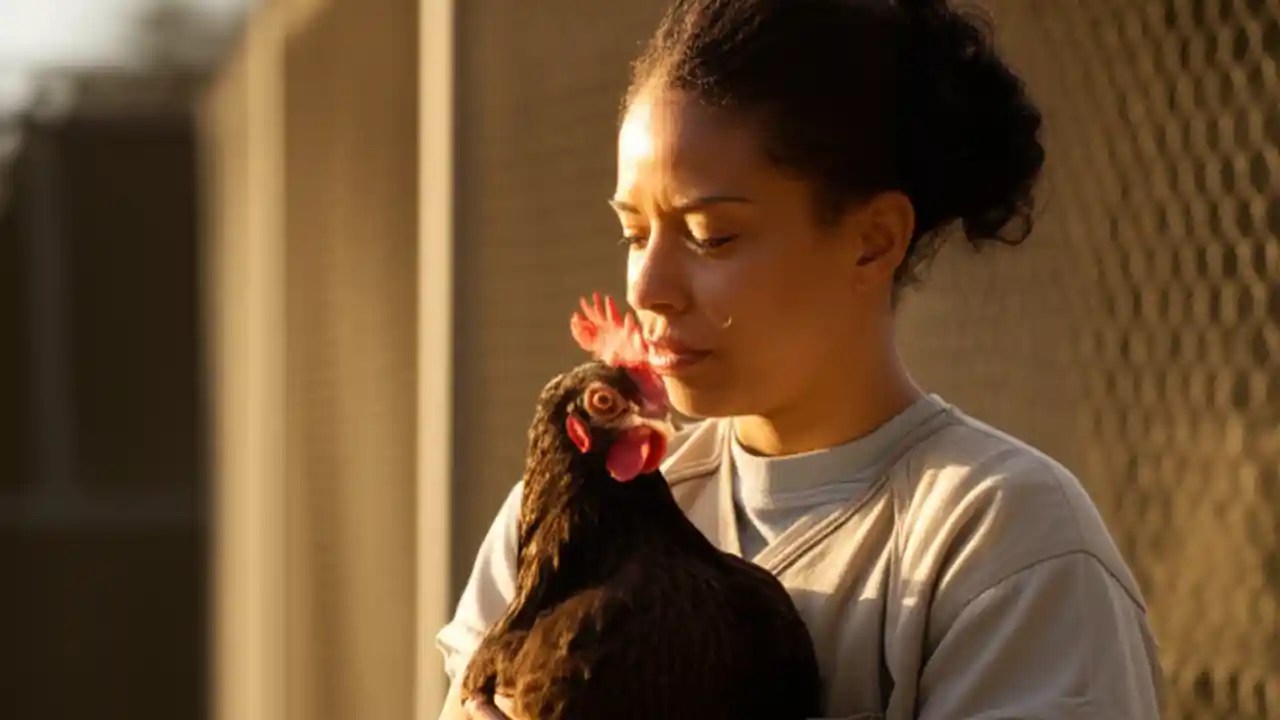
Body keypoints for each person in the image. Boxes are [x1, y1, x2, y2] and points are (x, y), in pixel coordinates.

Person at [437, 0, 1163, 717]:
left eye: (711, 235)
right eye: (634, 233)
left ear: (873, 240)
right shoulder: (577, 516)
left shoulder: (1004, 540)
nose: (650, 289)